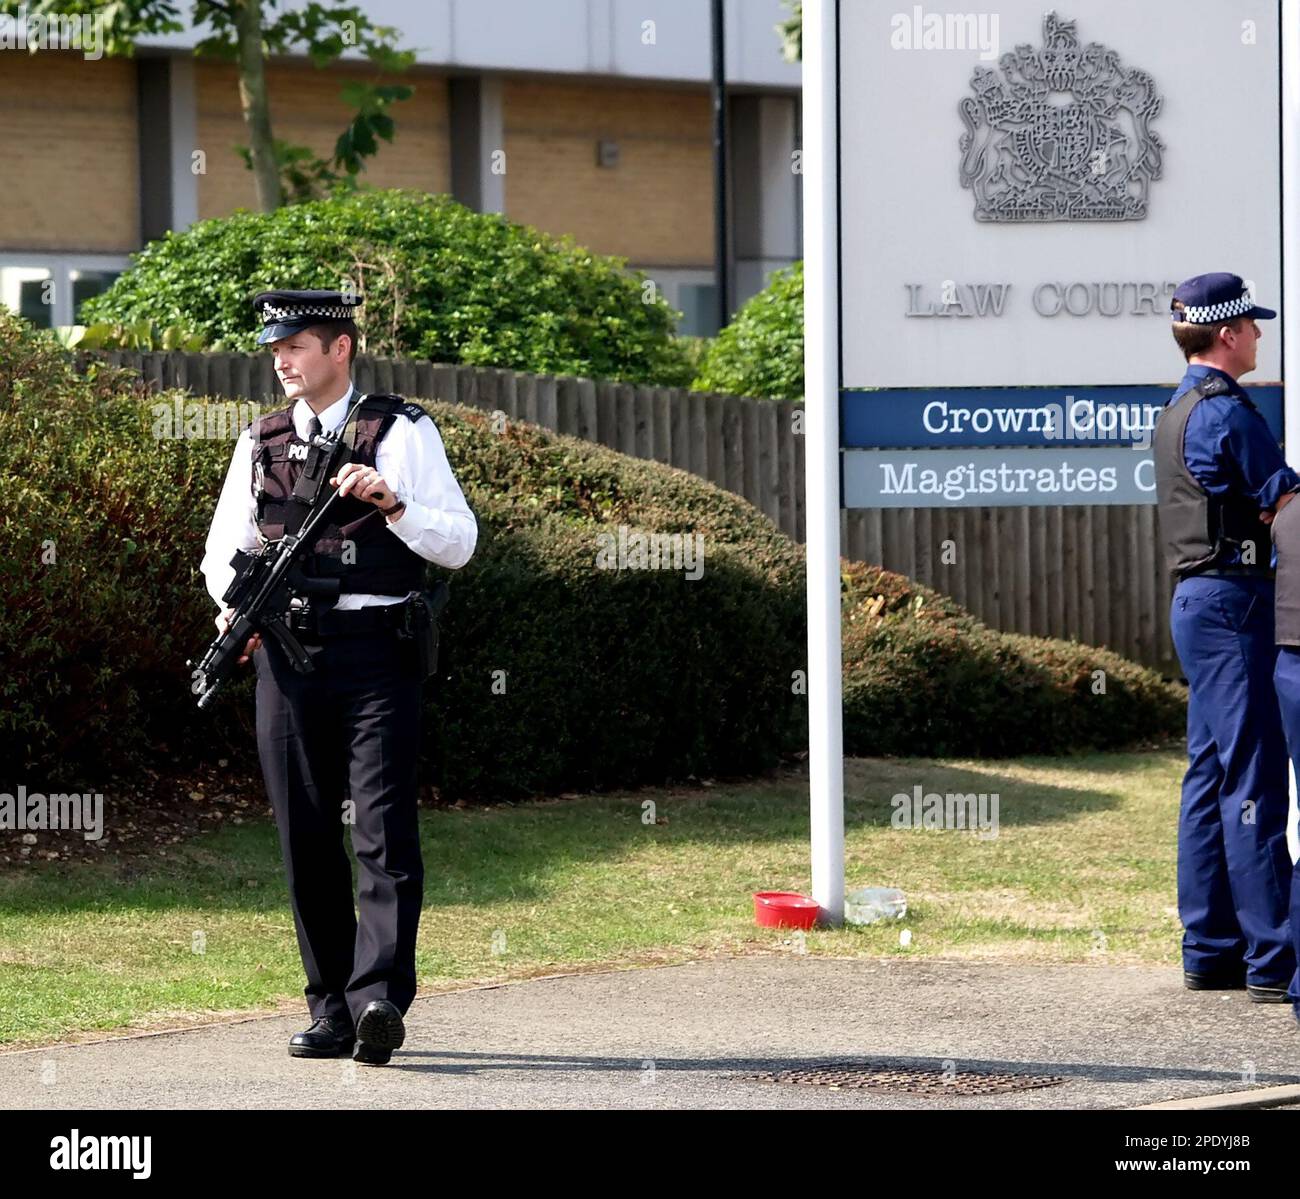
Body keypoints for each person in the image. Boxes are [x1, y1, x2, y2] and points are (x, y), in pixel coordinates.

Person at [201, 289, 478, 1064]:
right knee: (305, 832)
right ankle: (330, 1008)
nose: (281, 360)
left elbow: (458, 540)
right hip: (287, 658)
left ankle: (379, 1000)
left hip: (375, 655)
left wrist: (393, 505)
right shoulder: (261, 438)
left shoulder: (401, 431)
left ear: (341, 349)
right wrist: (232, 610)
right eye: (275, 349)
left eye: (296, 345)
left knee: (384, 832)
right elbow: (223, 544)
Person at [1153, 271, 1297, 1003]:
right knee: (1255, 779)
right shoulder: (1229, 412)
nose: (1261, 337)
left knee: (1209, 773)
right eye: (1253, 327)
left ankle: (1210, 948)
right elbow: (1284, 504)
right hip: (1237, 603)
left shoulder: (1176, 409)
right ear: (1228, 334)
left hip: (1196, 600)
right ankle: (1276, 960)